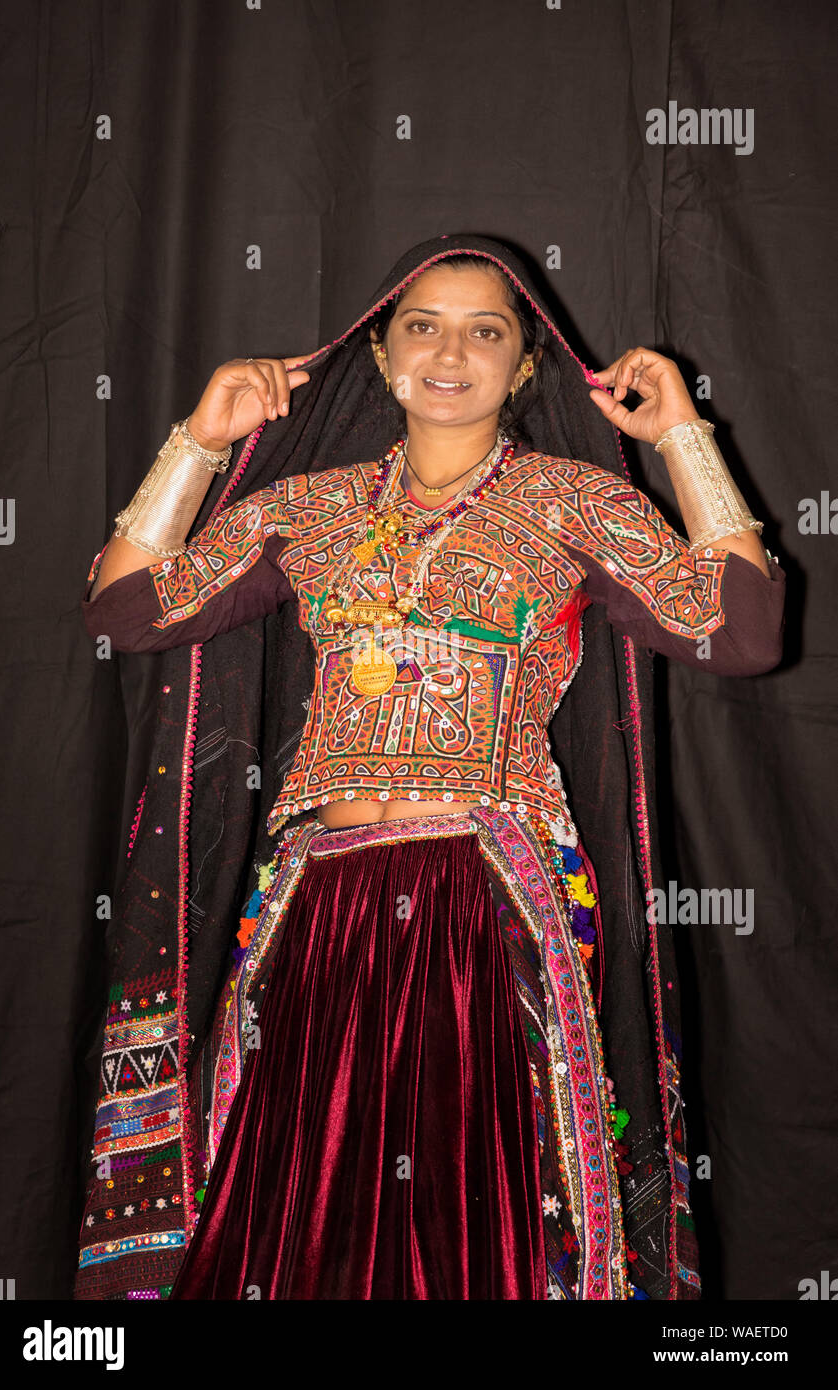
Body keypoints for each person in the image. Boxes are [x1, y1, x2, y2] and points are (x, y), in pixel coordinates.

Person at [74, 232, 785, 1301]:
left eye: (484, 332)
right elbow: (128, 610)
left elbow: (742, 633)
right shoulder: (307, 509)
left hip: (488, 901)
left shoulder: (573, 504)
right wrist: (198, 441)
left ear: (526, 364)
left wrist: (684, 434)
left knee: (481, 1216)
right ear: (382, 354)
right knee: (300, 1215)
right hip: (319, 903)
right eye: (423, 326)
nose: (450, 353)